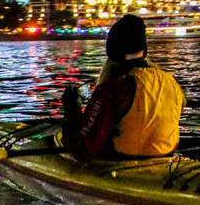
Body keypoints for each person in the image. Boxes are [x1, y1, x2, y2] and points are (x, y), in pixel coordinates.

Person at [63, 13, 186, 160]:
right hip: (165, 157)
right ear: (144, 50)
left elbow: (85, 149)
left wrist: (72, 111)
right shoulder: (171, 82)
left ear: (113, 52)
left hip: (121, 160)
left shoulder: (114, 88)